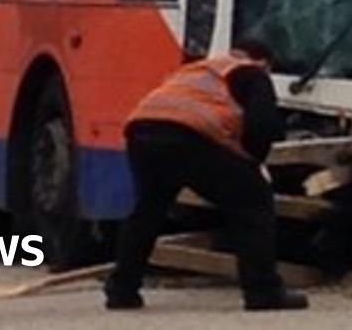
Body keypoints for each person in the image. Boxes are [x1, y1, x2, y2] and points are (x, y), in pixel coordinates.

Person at [103, 40, 309, 312]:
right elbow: (263, 125)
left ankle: (122, 291)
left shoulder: (199, 69)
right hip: (190, 136)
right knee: (254, 202)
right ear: (265, 63)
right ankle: (263, 291)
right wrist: (251, 164)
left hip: (141, 131)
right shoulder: (253, 72)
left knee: (148, 211)